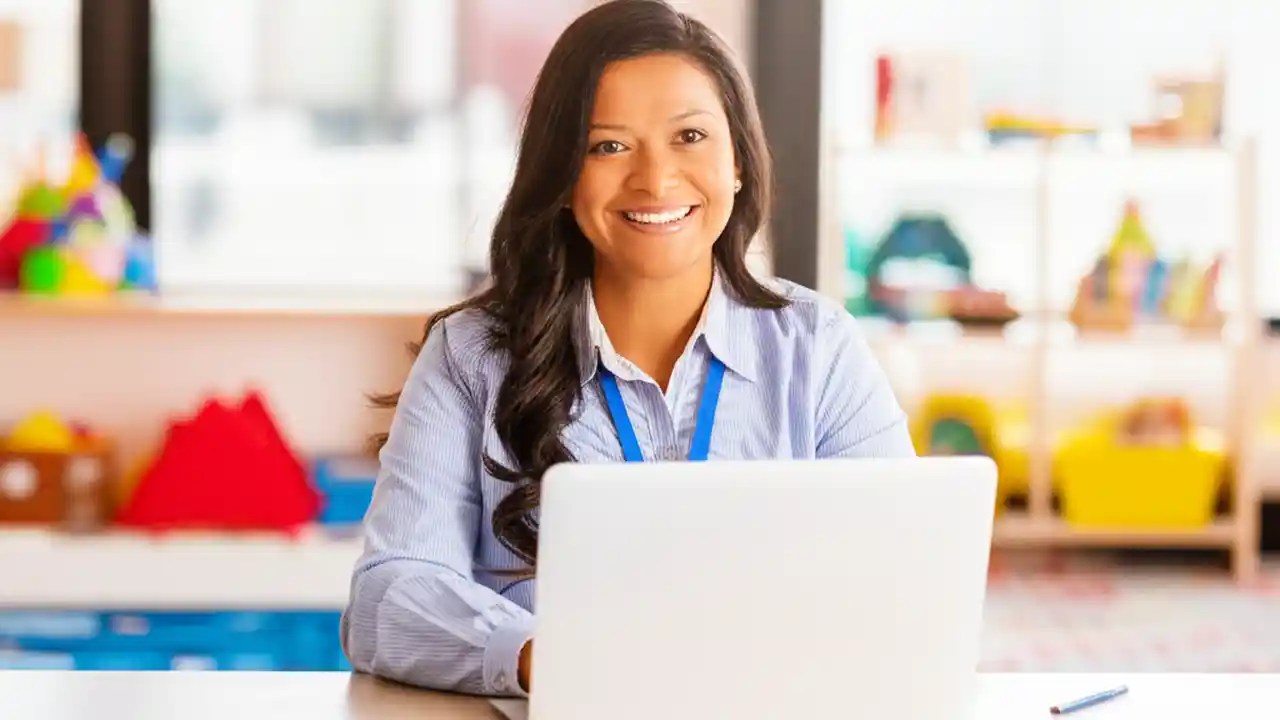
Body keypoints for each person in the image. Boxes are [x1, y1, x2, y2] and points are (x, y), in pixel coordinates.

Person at [341, 0, 915, 698]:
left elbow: (903, 578)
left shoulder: (819, 349)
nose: (654, 179)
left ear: (738, 161)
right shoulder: (469, 358)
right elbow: (387, 598)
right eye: (608, 146)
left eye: (690, 137)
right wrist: (542, 657)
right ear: (561, 178)